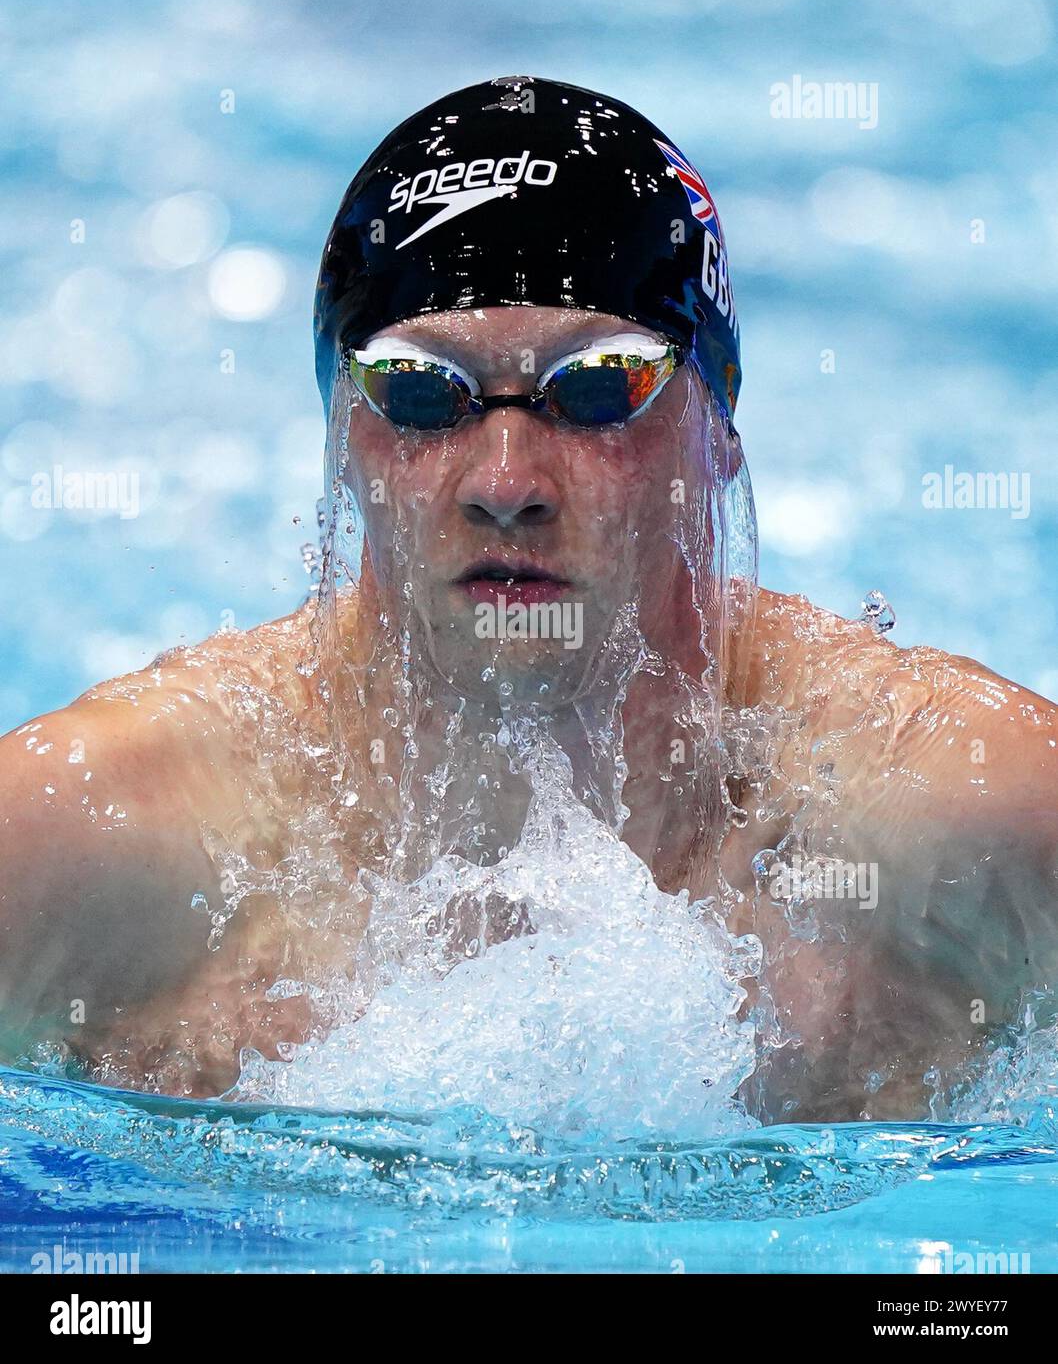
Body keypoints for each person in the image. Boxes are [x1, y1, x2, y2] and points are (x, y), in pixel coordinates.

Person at [1, 77, 1055, 1121]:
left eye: (598, 387)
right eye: (420, 394)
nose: (505, 483)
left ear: (718, 428)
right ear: (341, 431)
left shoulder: (957, 816)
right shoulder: (97, 839)